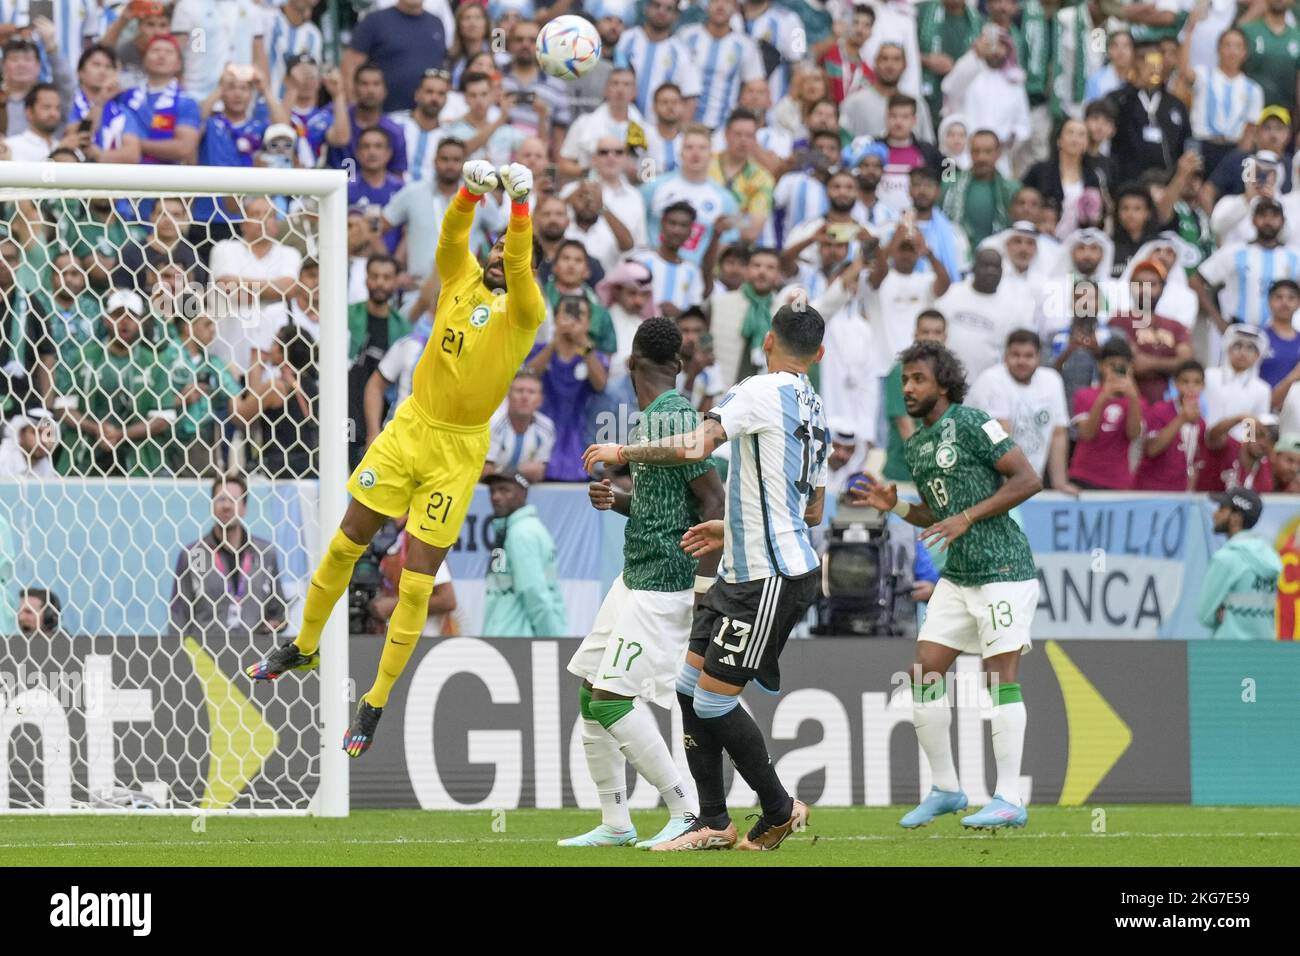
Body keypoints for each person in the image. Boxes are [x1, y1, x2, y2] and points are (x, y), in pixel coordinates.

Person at [245, 160, 546, 760]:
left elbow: (516, 261)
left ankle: (376, 699)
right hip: (409, 427)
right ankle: (305, 644)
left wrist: (518, 209)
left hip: (457, 452)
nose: (495, 261)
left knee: (416, 582)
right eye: (491, 254)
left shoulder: (524, 314)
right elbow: (449, 237)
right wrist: (466, 190)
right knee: (343, 542)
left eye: (505, 259)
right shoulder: (459, 281)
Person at [584, 302, 828, 852]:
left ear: (767, 343)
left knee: (713, 702)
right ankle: (713, 821)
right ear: (819, 353)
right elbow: (811, 511)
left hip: (770, 575)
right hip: (754, 566)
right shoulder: (815, 410)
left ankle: (779, 808)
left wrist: (623, 450)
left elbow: (698, 446)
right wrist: (732, 529)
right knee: (689, 689)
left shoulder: (759, 390)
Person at [851, 339, 1042, 830]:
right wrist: (893, 505)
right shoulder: (916, 445)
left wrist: (967, 516)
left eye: (917, 379)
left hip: (1003, 570)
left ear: (942, 382)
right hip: (959, 576)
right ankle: (946, 788)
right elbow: (936, 517)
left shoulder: (977, 423)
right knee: (923, 674)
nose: (909, 389)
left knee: (998, 679)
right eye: (904, 381)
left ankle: (1009, 797)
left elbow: (1027, 479)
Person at [562, 317, 724, 849]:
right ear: (677, 365)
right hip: (635, 577)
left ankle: (684, 809)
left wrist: (702, 587)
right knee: (591, 694)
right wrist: (621, 501)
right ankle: (615, 822)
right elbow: (670, 506)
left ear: (631, 363)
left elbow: (713, 502)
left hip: (662, 583)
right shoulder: (657, 417)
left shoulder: (674, 417)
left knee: (611, 700)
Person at [170, 475, 288, 637]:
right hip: (205, 657)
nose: (226, 506)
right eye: (221, 499)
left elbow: (278, 611)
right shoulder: (194, 554)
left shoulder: (264, 553)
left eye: (234, 499)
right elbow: (179, 616)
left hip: (251, 655)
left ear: (244, 507)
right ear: (212, 506)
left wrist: (276, 623)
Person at [967, 330, 1074, 492]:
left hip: (1026, 483)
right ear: (1005, 356)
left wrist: (1059, 483)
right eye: (1015, 355)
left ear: (1039, 357)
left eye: (1028, 356)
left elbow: (1058, 433)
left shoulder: (1052, 380)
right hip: (986, 482)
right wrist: (1009, 489)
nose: (1021, 361)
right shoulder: (991, 379)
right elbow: (1001, 437)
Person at [480, 471, 567, 637]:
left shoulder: (522, 533)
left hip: (519, 640)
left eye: (505, 490)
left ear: (523, 493)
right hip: (509, 636)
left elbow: (533, 591)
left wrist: (551, 639)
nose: (496, 497)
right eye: (492, 491)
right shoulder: (513, 530)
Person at [933, 248, 1032, 383]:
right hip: (943, 382)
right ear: (973, 268)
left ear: (1002, 272)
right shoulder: (951, 293)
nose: (990, 271)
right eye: (985, 265)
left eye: (995, 267)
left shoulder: (1013, 309)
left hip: (985, 388)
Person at [1198, 488, 1281, 641]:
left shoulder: (1225, 559)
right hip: (1266, 654)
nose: (1214, 514)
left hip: (1230, 653)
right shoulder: (1271, 557)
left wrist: (1224, 610)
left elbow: (1204, 615)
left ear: (1236, 518)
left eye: (1222, 509)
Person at [1106, 258, 1193, 405]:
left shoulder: (1176, 326)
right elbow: (1125, 362)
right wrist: (1169, 364)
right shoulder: (1118, 321)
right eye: (1139, 284)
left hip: (1169, 406)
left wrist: (1151, 363)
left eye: (1152, 284)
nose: (1145, 290)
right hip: (1126, 403)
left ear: (1162, 288)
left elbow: (1187, 363)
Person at [342, 0, 448, 113]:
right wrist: (354, 108)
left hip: (427, 118)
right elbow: (350, 67)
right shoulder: (374, 21)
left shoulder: (436, 23)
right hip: (383, 118)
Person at [1068, 337, 1145, 491]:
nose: (1116, 371)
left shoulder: (1137, 401)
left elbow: (1133, 435)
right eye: (1111, 366)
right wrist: (1103, 397)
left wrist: (1133, 398)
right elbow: (1087, 434)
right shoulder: (1085, 395)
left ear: (1131, 368)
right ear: (1101, 366)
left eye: (1121, 367)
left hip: (1118, 481)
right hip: (1083, 477)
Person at [1135, 359, 1205, 492]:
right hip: (1150, 489)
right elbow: (1151, 449)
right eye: (1185, 381)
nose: (1191, 387)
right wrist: (1182, 418)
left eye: (1197, 382)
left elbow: (1195, 463)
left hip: (1178, 493)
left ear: (1203, 386)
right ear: (1176, 384)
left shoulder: (1201, 422)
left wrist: (1189, 493)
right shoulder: (1159, 410)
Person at [486, 368, 555, 484]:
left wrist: (500, 472)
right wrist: (517, 471)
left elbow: (538, 473)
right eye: (519, 391)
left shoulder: (546, 428)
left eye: (531, 392)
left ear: (540, 400)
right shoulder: (492, 424)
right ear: (508, 396)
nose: (525, 397)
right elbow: (484, 473)